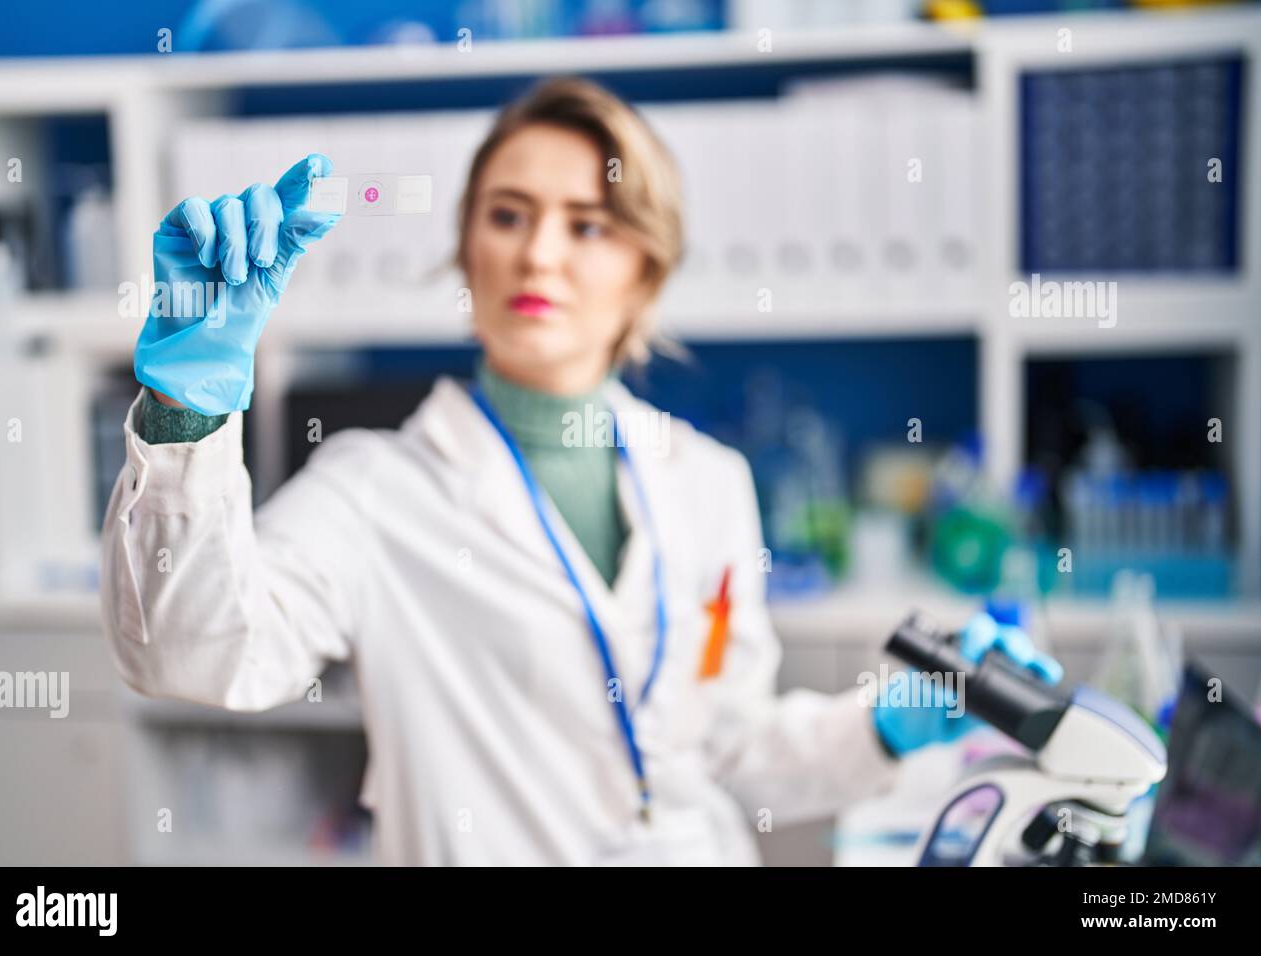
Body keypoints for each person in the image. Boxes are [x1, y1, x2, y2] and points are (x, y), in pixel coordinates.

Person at [102, 76, 1060, 865]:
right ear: (466, 255)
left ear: (647, 268)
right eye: (507, 216)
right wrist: (190, 411)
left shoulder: (707, 479)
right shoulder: (371, 490)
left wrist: (887, 725)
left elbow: (722, 745)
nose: (539, 253)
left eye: (588, 224)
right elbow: (194, 656)